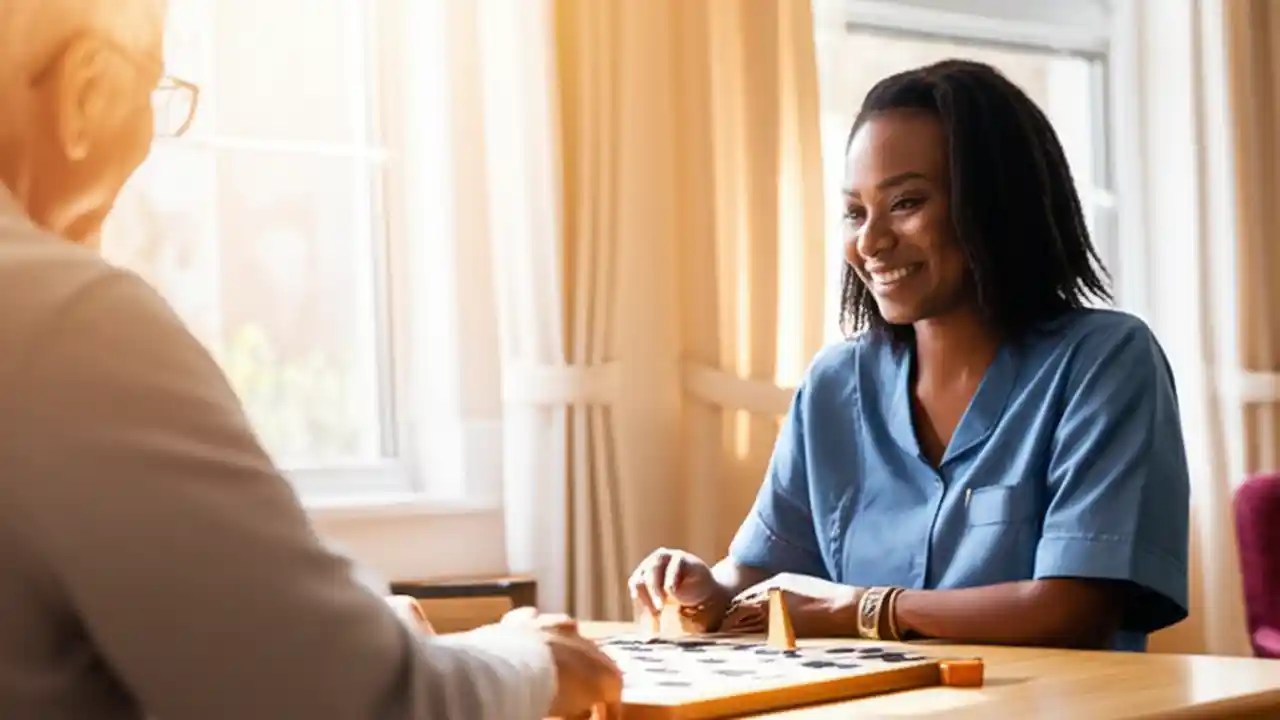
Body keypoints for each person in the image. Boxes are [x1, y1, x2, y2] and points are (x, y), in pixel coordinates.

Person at [0, 1, 620, 718]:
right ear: (88, 89)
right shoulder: (67, 324)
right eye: (154, 96)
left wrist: (346, 636)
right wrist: (532, 659)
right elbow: (356, 702)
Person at [630, 59, 1191, 652]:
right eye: (854, 211)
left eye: (905, 203)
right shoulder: (834, 385)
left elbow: (1074, 610)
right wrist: (707, 590)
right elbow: (761, 573)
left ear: (996, 202)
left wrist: (861, 608)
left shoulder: (1106, 363)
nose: (870, 242)